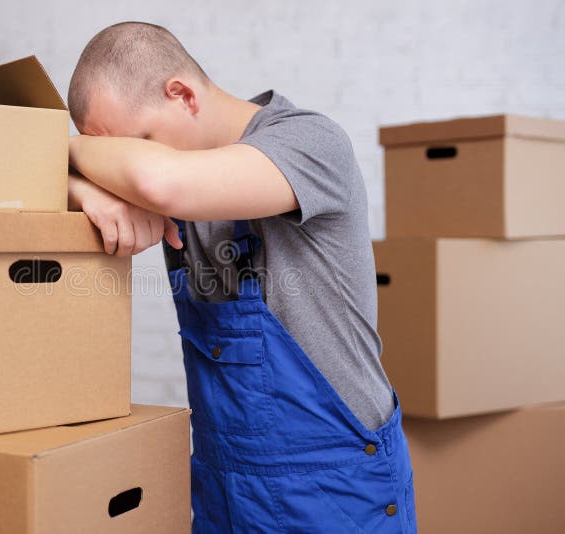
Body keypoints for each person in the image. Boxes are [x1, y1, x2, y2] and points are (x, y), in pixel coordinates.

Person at [66, 21, 416, 534]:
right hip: (222, 483)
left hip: (332, 487)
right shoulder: (178, 170)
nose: (122, 169)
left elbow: (158, 181)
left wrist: (63, 147)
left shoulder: (308, 141)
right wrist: (84, 192)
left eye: (134, 145)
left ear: (182, 95)